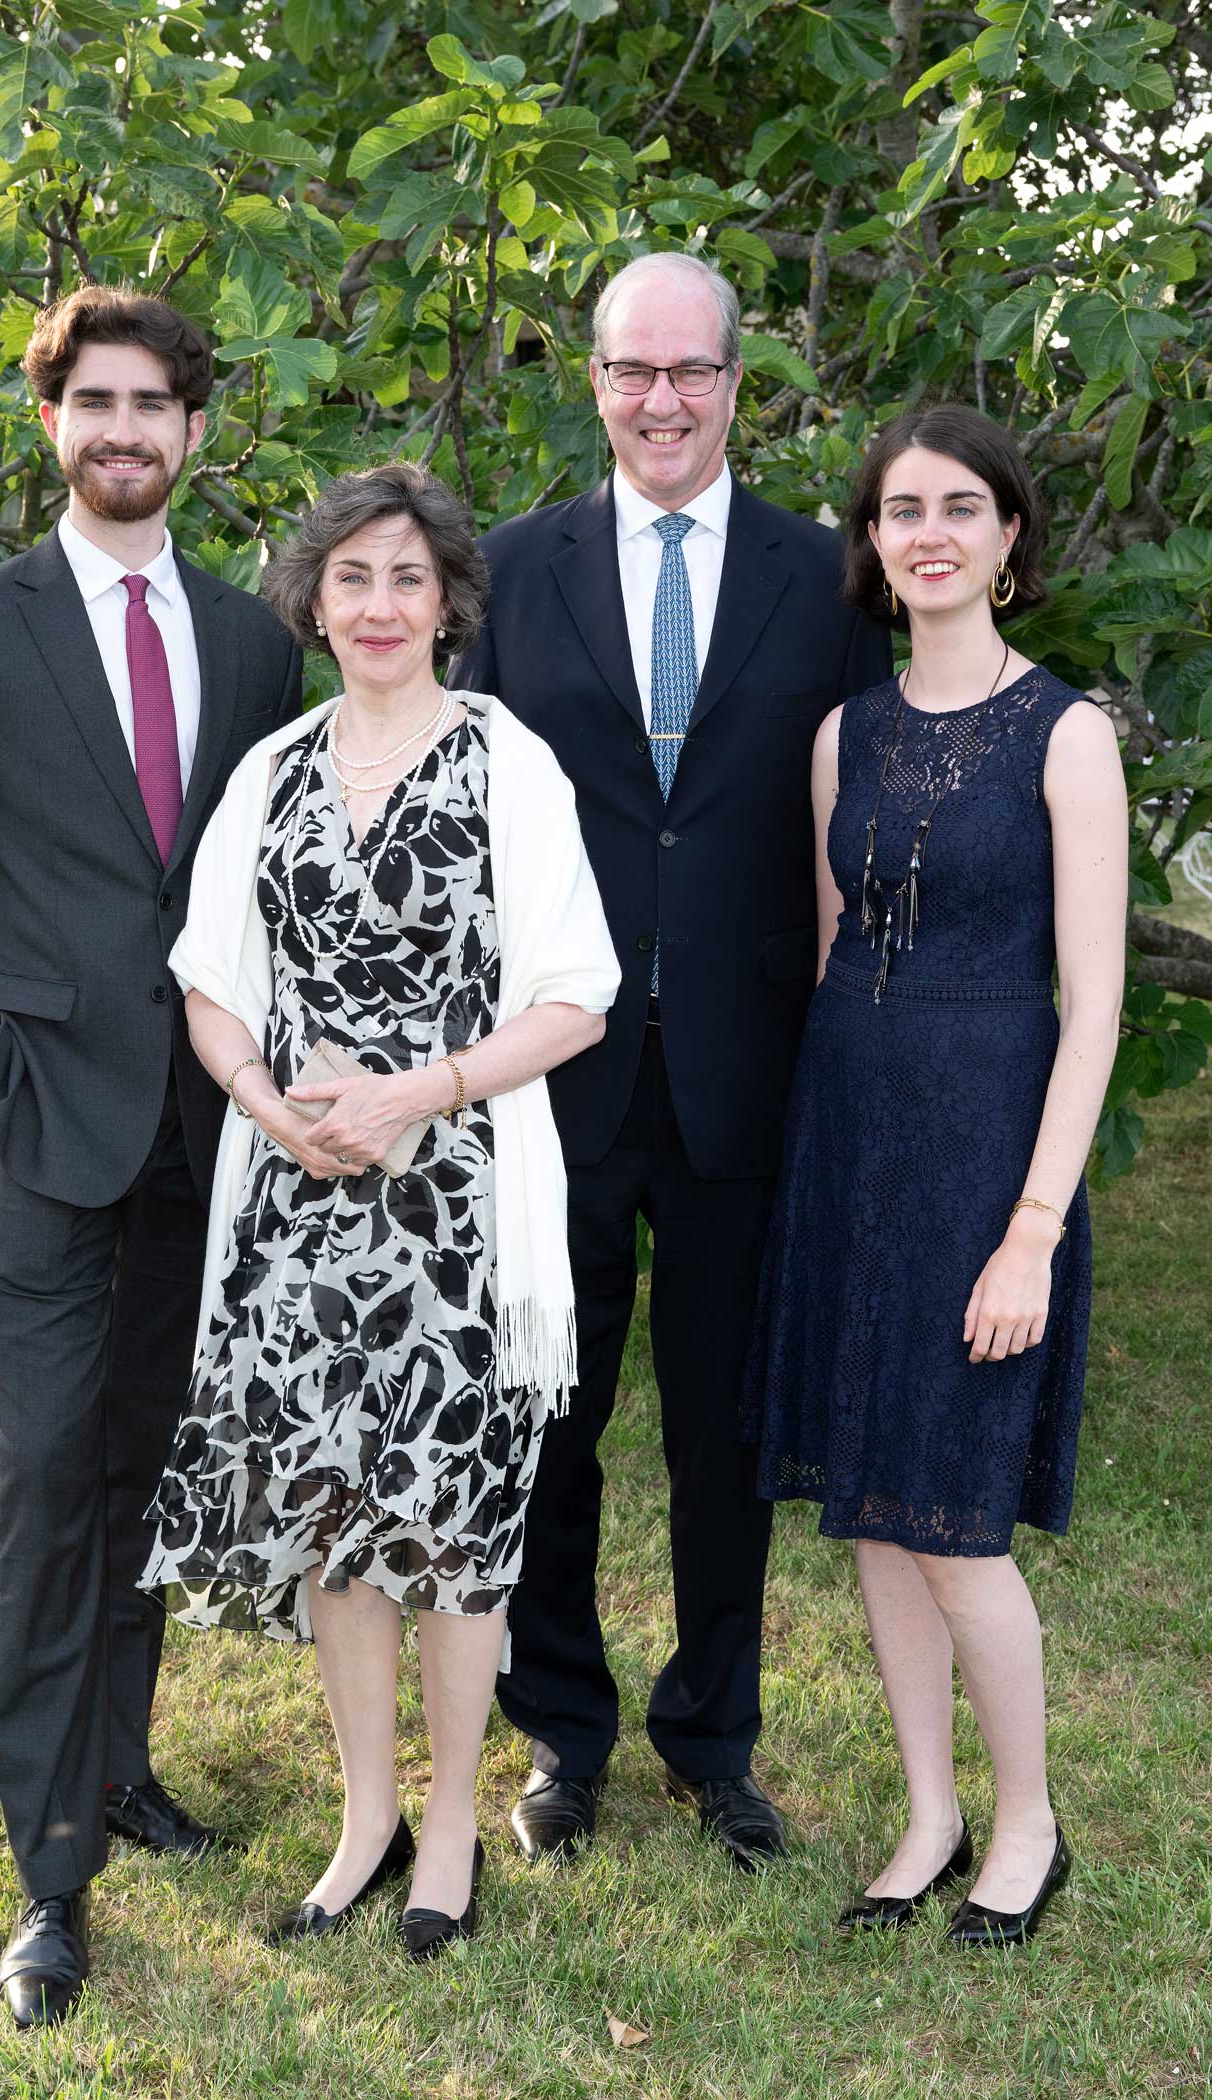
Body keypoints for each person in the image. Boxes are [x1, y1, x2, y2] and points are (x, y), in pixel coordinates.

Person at [0, 285, 302, 2026]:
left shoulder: (252, 644)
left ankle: (116, 1762)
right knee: (47, 1481)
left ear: (194, 430)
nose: (124, 431)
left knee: (143, 1469)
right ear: (52, 423)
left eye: (153, 405)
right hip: (34, 1128)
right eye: (93, 403)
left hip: (204, 1130)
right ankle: (49, 1872)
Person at [447, 251, 893, 1872]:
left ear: (735, 385)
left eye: (692, 370)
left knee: (726, 1435)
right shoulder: (507, 571)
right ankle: (560, 1732)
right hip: (554, 1074)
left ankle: (714, 1738)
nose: (662, 400)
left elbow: (860, 818)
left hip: (747, 1070)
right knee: (549, 1421)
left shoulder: (826, 582)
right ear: (594, 383)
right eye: (633, 370)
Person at [140, 462, 619, 1961]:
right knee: (337, 1522)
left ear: (450, 602)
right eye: (353, 578)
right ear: (314, 599)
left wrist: (422, 1089)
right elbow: (212, 983)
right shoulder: (273, 771)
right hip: (300, 1206)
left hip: (458, 1207)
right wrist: (268, 1103)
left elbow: (580, 998)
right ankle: (366, 1823)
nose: (381, 605)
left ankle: (453, 1827)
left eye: (409, 578)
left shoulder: (508, 763)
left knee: (455, 1527)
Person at [743, 402, 1126, 1946]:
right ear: (875, 543)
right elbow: (836, 951)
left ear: (1009, 534)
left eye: (962, 506)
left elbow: (1094, 1005)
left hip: (987, 1158)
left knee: (956, 1520)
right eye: (904, 509)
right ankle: (928, 1814)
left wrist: (1032, 1229)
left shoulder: (1068, 734)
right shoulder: (845, 736)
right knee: (875, 1507)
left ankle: (1028, 1824)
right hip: (851, 1145)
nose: (933, 534)